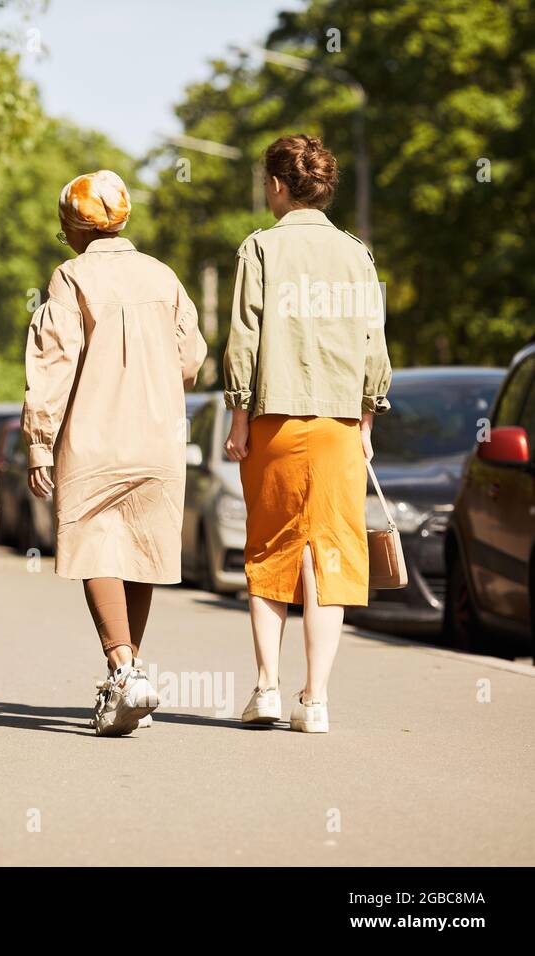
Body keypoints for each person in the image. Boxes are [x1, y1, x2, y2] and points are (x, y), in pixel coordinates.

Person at [24, 170, 207, 736]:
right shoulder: (162, 275)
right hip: (158, 439)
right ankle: (130, 675)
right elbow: (191, 359)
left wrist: (38, 441)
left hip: (95, 439)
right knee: (142, 554)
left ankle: (124, 671)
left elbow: (54, 361)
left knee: (102, 551)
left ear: (76, 229)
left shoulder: (70, 277)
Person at [223, 134, 392, 734]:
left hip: (276, 419)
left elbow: (245, 338)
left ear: (275, 185)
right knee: (329, 556)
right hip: (340, 423)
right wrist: (367, 418)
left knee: (271, 551)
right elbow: (374, 343)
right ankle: (314, 700)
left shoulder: (261, 249)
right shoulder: (357, 254)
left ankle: (266, 688)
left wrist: (238, 418)